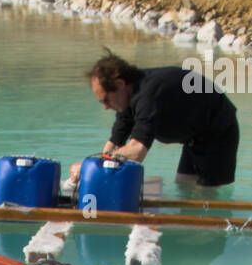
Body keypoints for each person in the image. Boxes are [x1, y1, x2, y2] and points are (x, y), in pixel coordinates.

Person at [71, 53, 239, 189]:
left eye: (106, 100)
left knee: (205, 194)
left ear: (120, 84)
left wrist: (89, 167)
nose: (106, 107)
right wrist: (93, 171)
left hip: (218, 130)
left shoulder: (148, 96)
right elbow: (114, 144)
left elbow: (137, 151)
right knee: (183, 186)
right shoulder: (126, 99)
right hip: (193, 137)